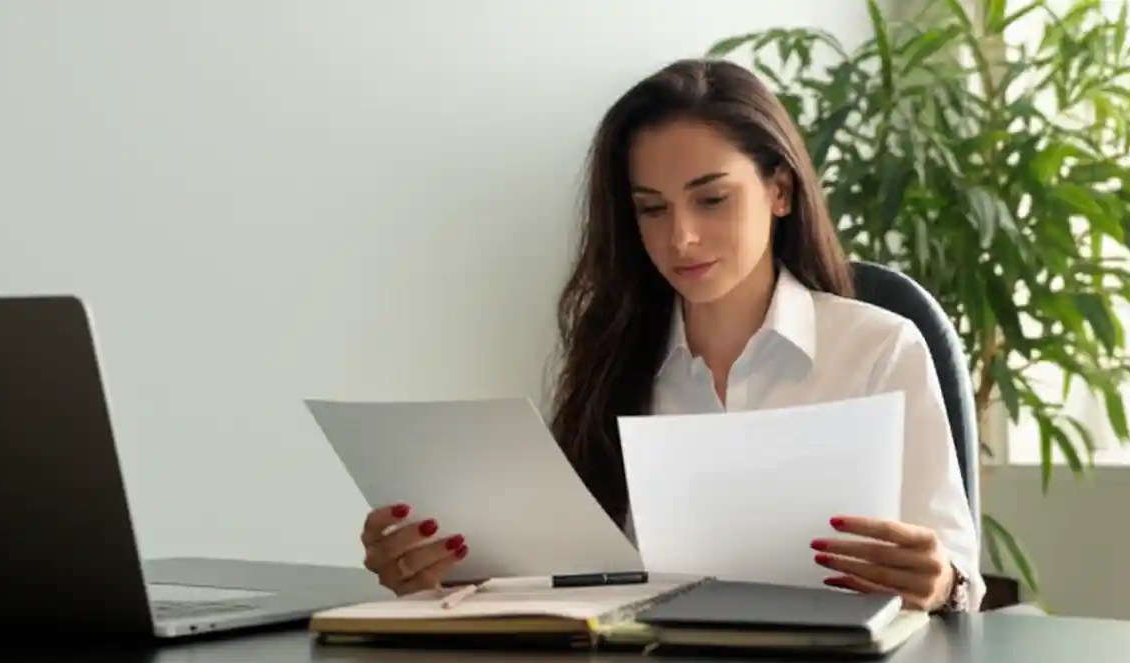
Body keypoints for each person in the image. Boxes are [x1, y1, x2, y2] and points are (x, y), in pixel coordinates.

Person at [359, 58, 985, 612]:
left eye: (711, 200)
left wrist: (938, 582)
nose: (680, 237)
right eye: (651, 209)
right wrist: (442, 575)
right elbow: (570, 581)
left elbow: (958, 580)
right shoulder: (615, 357)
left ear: (780, 190)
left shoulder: (880, 348)